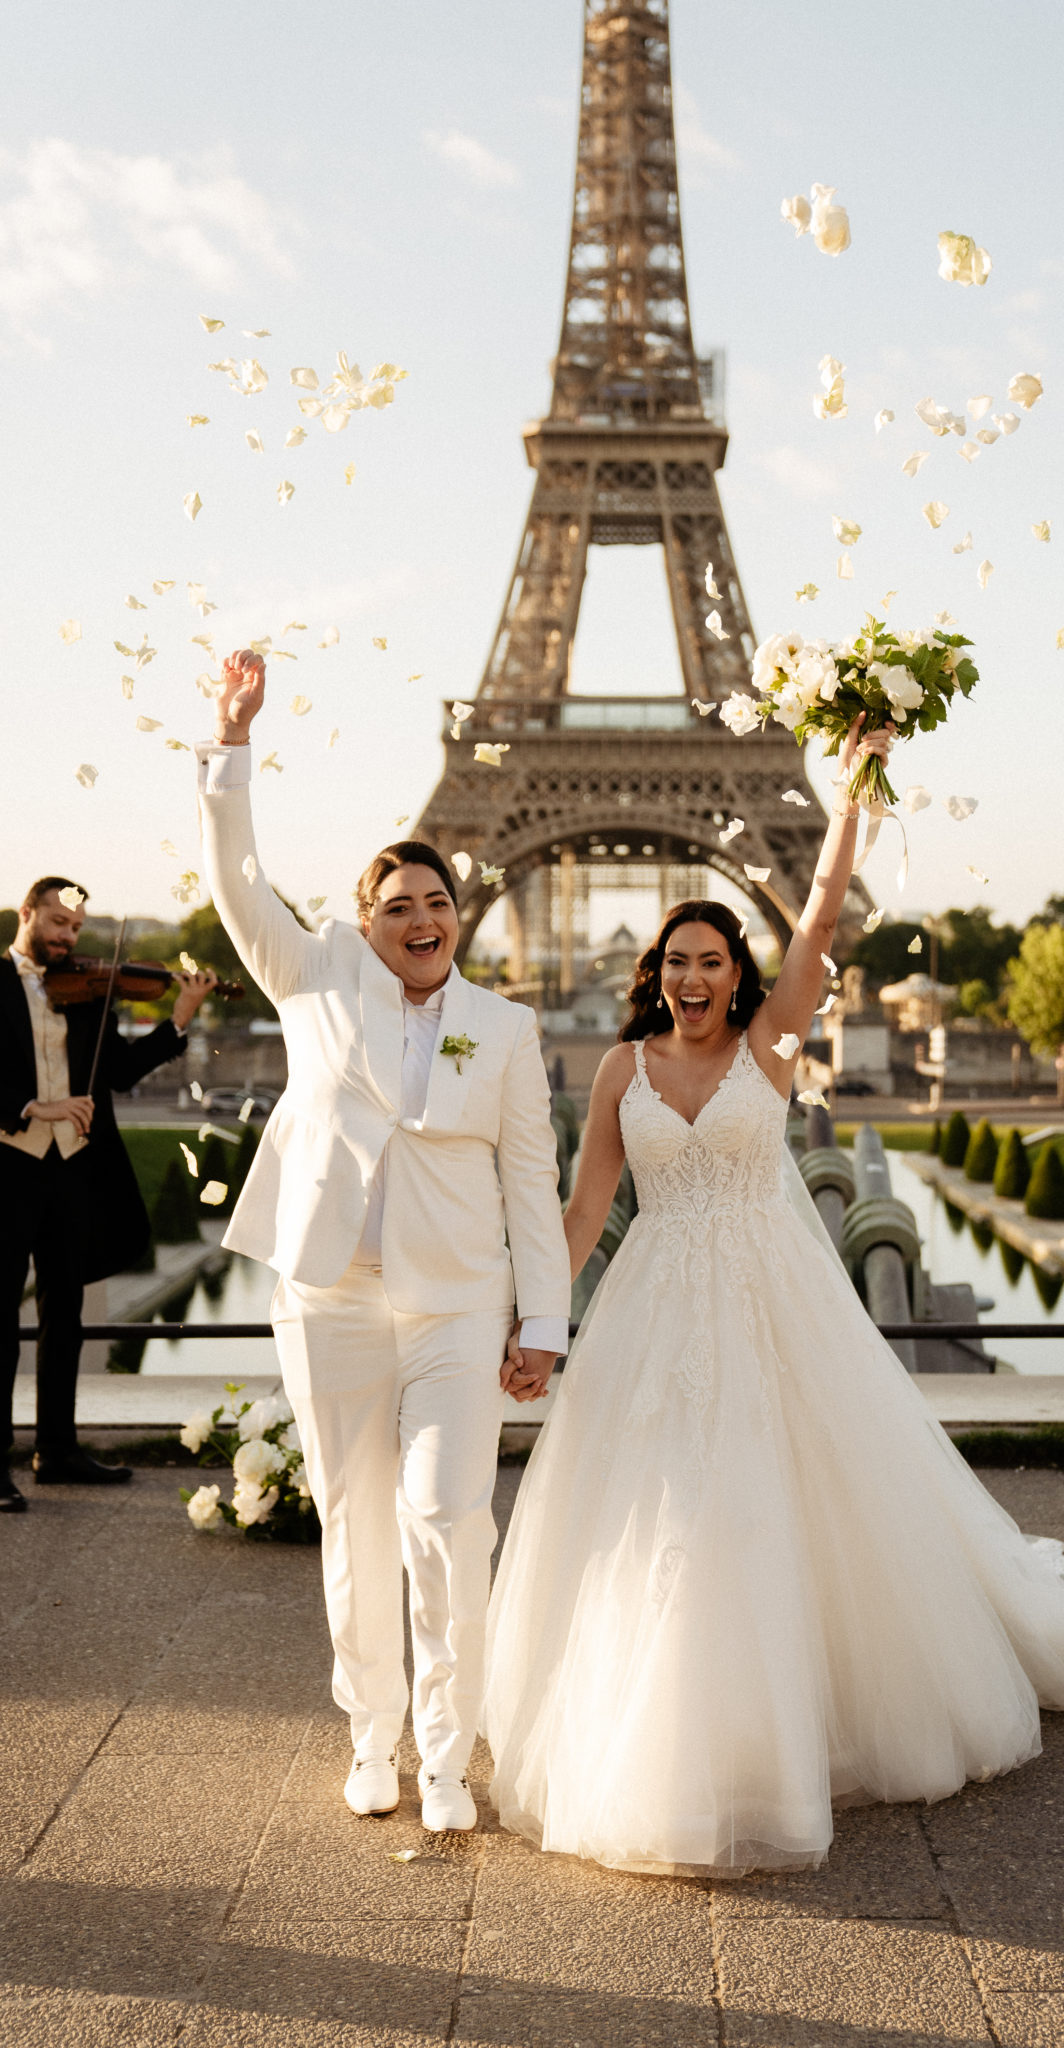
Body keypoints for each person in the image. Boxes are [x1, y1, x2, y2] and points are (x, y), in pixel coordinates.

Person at [484, 717, 1064, 1877]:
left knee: (781, 1500)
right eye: (676, 962)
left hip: (772, 1296)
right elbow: (585, 1213)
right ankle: (691, 1732)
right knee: (676, 1515)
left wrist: (854, 788)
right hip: (660, 1306)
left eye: (713, 960)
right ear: (651, 975)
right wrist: (537, 1328)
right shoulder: (618, 1070)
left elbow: (821, 917)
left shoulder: (772, 1045)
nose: (693, 977)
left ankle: (786, 1721)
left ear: (739, 978)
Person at [195, 651, 570, 1833]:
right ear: (364, 922)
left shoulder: (503, 1029)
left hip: (459, 1304)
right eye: (397, 903)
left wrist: (544, 1322)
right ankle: (373, 1737)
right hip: (334, 1296)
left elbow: (531, 1177)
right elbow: (238, 880)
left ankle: (451, 1754)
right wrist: (233, 741)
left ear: (461, 917)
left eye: (438, 902)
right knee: (356, 1529)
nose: (421, 917)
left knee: (451, 1521)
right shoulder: (313, 978)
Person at [0, 879, 217, 1511]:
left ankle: (57, 1450)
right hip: (9, 1171)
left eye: (75, 927)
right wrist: (31, 1105)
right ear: (28, 914)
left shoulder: (86, 991)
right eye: (58, 922)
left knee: (65, 1316)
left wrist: (181, 1016)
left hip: (72, 1170)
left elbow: (117, 1071)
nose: (68, 937)